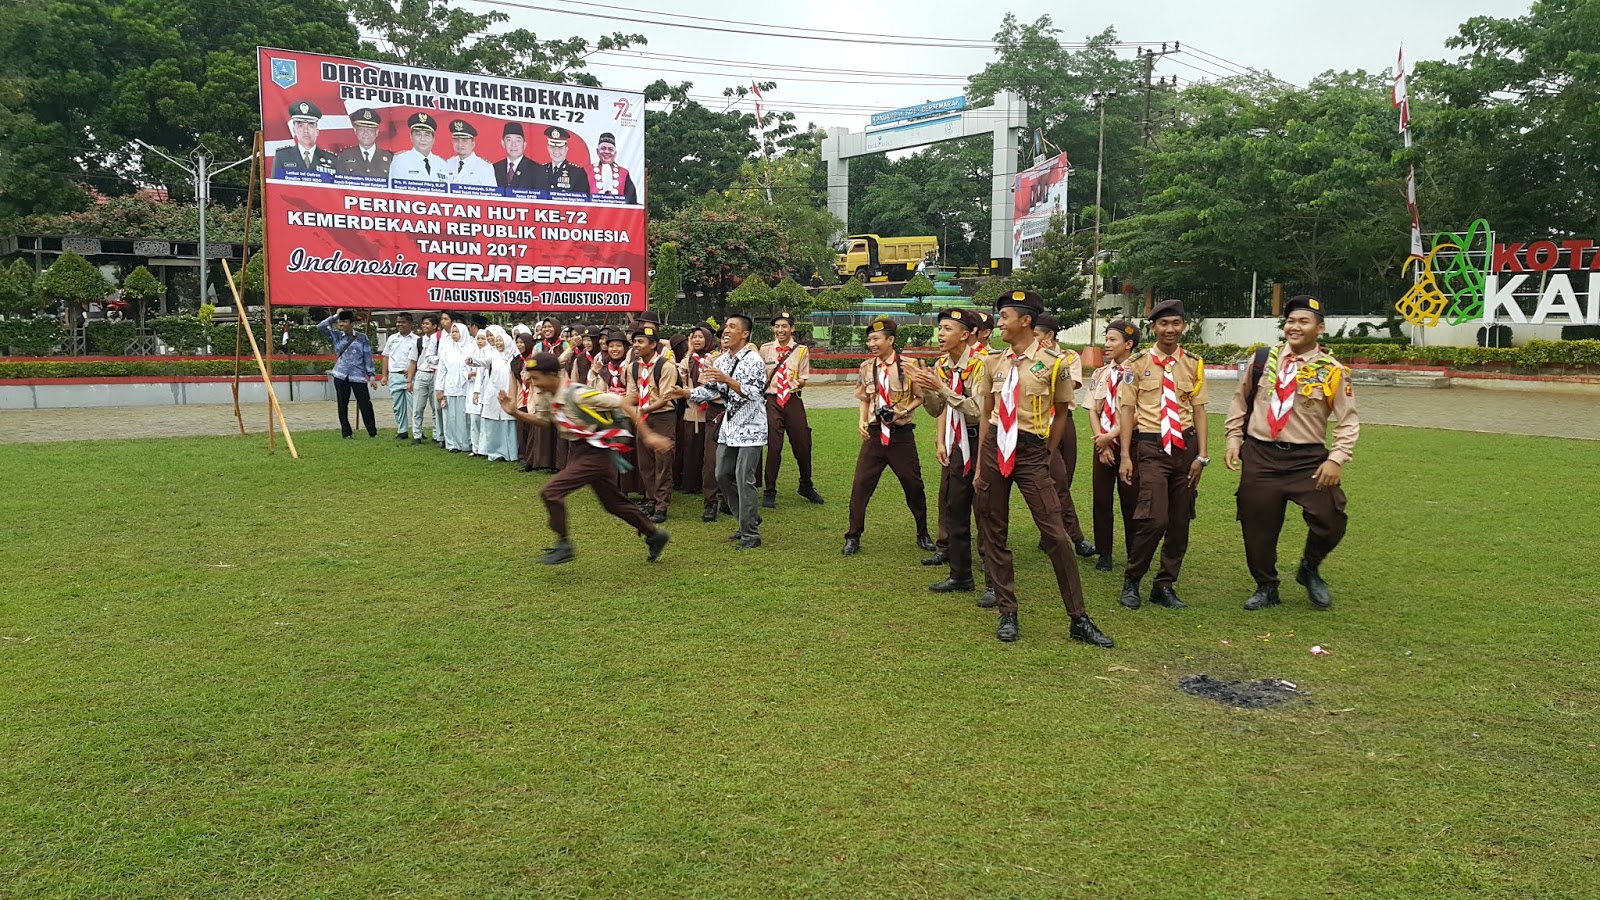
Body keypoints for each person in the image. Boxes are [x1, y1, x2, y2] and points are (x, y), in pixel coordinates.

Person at [972, 291, 1114, 647]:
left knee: (1055, 534)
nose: (999, 322)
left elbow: (1063, 410)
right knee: (994, 531)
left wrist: (1048, 453)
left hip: (1033, 449)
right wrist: (979, 465)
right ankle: (1008, 611)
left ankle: (1078, 618)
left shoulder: (1055, 363)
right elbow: (987, 415)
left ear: (1025, 321)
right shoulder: (992, 363)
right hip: (995, 449)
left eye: (1004, 316)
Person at [1224, 295, 1360, 610]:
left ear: (1320, 328)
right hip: (1260, 453)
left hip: (1308, 459)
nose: (1295, 327)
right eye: (1291, 321)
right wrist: (1233, 438)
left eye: (1304, 321)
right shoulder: (1262, 360)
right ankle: (1266, 586)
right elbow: (1239, 401)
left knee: (1330, 517)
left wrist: (1336, 458)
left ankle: (1309, 567)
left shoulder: (1332, 370)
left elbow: (1348, 421)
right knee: (1257, 524)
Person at [499, 353, 671, 565]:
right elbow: (544, 422)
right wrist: (514, 412)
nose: (531, 382)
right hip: (579, 450)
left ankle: (564, 544)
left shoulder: (578, 393)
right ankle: (654, 534)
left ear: (552, 375)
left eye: (536, 378)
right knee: (613, 503)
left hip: (595, 453)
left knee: (551, 492)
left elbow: (623, 404)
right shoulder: (547, 394)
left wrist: (648, 435)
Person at [1117, 299, 1210, 610]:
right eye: (1163, 324)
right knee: (1155, 519)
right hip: (1151, 445)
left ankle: (1165, 585)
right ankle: (1133, 579)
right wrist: (1127, 456)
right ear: (1153, 327)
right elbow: (1127, 411)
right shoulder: (1136, 365)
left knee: (1180, 520)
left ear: (1183, 326)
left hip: (1186, 447)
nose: (1170, 330)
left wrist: (1203, 456)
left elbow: (1199, 410)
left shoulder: (1193, 364)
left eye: (1176, 323)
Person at [909, 307, 986, 595]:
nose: (940, 334)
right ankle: (961, 575)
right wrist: (926, 389)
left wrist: (941, 388)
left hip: (981, 442)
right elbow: (935, 410)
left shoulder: (981, 365)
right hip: (958, 443)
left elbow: (977, 411)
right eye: (939, 328)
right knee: (955, 507)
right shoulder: (942, 366)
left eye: (948, 329)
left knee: (987, 511)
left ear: (965, 335)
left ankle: (993, 580)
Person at [842, 317, 932, 557]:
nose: (871, 343)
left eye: (876, 339)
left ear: (891, 340)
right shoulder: (866, 367)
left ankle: (923, 533)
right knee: (861, 485)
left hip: (900, 435)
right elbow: (864, 398)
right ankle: (853, 535)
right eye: (869, 339)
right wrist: (862, 420)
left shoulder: (909, 366)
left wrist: (904, 410)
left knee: (913, 485)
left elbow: (920, 397)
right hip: (873, 435)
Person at [689, 315, 768, 549]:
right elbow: (711, 390)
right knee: (722, 474)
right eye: (726, 326)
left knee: (744, 479)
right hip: (729, 427)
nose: (726, 330)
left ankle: (750, 534)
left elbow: (754, 393)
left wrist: (727, 379)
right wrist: (684, 394)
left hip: (752, 428)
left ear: (745, 334)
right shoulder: (722, 360)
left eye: (733, 327)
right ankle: (747, 518)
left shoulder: (754, 360)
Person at [1032, 313, 1099, 559]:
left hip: (1064, 422)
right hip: (1041, 424)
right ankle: (1077, 539)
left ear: (1049, 336)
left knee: (1065, 479)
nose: (1034, 340)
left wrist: (1055, 359)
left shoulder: (1069, 357)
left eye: (1037, 335)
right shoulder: (1034, 360)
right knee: (1058, 481)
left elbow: (1069, 387)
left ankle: (1047, 534)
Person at [1088, 320, 1140, 571]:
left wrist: (1112, 437)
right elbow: (1092, 409)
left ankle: (1134, 552)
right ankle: (1104, 552)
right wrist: (1102, 442)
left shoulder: (1139, 371)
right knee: (1101, 499)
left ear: (1128, 344)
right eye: (1106, 339)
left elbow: (1139, 412)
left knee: (1131, 500)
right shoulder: (1101, 373)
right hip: (1103, 445)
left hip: (1130, 443)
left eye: (1112, 340)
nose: (1106, 345)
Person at [761, 311, 824, 508]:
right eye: (777, 326)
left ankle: (806, 484)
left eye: (784, 326)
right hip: (772, 401)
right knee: (774, 446)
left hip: (793, 400)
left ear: (792, 328)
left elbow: (804, 378)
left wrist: (793, 383)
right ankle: (769, 490)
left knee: (803, 443)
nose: (780, 330)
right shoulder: (765, 350)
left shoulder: (801, 350)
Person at [625, 321, 682, 523]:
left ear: (653, 344)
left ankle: (662, 504)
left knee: (663, 462)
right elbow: (631, 395)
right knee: (646, 462)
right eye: (634, 342)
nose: (636, 346)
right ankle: (650, 500)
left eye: (641, 342)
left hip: (662, 417)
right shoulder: (632, 368)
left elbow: (666, 397)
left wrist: (644, 408)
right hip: (643, 417)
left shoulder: (665, 367)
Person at [678, 323, 722, 519]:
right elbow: (681, 376)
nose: (696, 340)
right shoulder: (689, 359)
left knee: (711, 453)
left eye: (700, 337)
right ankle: (695, 486)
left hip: (711, 408)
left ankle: (718, 495)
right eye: (693, 337)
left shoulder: (713, 358)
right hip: (693, 407)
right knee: (693, 446)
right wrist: (688, 353)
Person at [317, 309, 378, 438]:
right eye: (340, 321)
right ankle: (346, 432)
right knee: (342, 405)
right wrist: (335, 316)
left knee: (365, 404)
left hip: (358, 376)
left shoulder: (362, 338)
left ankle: (372, 432)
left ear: (352, 323)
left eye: (344, 321)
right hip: (340, 374)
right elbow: (320, 327)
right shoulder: (336, 335)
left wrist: (371, 375)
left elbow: (367, 357)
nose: (341, 324)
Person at [479, 325, 519, 461]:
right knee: (494, 423)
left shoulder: (514, 356)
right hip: (494, 392)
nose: (498, 344)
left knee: (509, 422)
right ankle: (495, 453)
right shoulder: (494, 355)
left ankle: (511, 453)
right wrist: (471, 361)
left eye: (500, 341)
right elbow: (483, 362)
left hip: (509, 391)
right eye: (497, 342)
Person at [272, 101, 336, 178]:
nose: (306, 130)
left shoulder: (331, 159)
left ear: (317, 131)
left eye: (310, 125)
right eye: (300, 126)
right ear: (294, 130)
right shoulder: (282, 156)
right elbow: (276, 187)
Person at [382, 312, 420, 440]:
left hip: (410, 377)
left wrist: (412, 371)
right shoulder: (392, 338)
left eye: (403, 322)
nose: (399, 324)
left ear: (410, 324)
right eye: (398, 322)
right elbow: (386, 356)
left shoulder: (416, 340)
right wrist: (384, 376)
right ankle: (402, 430)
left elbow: (419, 359)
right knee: (397, 406)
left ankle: (417, 431)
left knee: (414, 405)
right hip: (395, 375)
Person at [435, 321, 470, 452]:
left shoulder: (470, 348)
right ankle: (452, 444)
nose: (454, 334)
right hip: (450, 386)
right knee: (450, 416)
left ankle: (466, 443)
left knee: (463, 416)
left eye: (457, 332)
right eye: (452, 332)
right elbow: (442, 371)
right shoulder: (447, 350)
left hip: (466, 387)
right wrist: (439, 389)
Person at [389, 112, 449, 187]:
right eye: (418, 134)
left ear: (433, 139)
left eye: (427, 135)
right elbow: (395, 189)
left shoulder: (442, 164)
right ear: (411, 137)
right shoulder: (401, 160)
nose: (422, 139)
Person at [408, 314, 441, 445]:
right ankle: (417, 434)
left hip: (435, 374)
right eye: (423, 324)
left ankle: (436, 434)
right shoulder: (419, 341)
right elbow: (413, 361)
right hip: (421, 374)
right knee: (417, 407)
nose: (424, 326)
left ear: (434, 326)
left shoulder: (440, 340)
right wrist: (409, 380)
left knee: (436, 407)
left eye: (427, 324)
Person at [334, 108, 392, 178]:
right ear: (355, 131)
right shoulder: (345, 156)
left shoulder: (390, 158)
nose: (365, 133)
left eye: (370, 129)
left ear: (376, 132)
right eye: (361, 129)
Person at [444, 119, 496, 188]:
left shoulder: (484, 166)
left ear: (473, 144)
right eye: (456, 140)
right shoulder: (447, 164)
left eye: (464, 141)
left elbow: (491, 193)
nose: (460, 144)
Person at [590, 132, 638, 203]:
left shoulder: (624, 173)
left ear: (615, 153)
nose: (606, 152)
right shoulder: (586, 171)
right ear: (597, 151)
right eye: (603, 148)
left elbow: (631, 199)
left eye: (610, 149)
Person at [540, 126, 590, 193]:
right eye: (552, 147)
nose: (556, 151)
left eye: (560, 147)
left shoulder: (577, 173)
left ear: (566, 149)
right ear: (548, 148)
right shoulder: (540, 171)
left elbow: (582, 198)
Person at [464, 328, 490, 456]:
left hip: (486, 389)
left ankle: (484, 448)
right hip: (473, 388)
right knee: (474, 420)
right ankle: (475, 448)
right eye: (478, 338)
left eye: (483, 338)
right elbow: (463, 368)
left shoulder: (490, 353)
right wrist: (469, 374)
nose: (480, 341)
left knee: (484, 420)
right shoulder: (472, 352)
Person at [494, 122, 541, 190]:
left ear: (524, 145)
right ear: (503, 143)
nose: (513, 145)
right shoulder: (494, 168)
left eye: (518, 140)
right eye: (509, 140)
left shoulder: (537, 170)